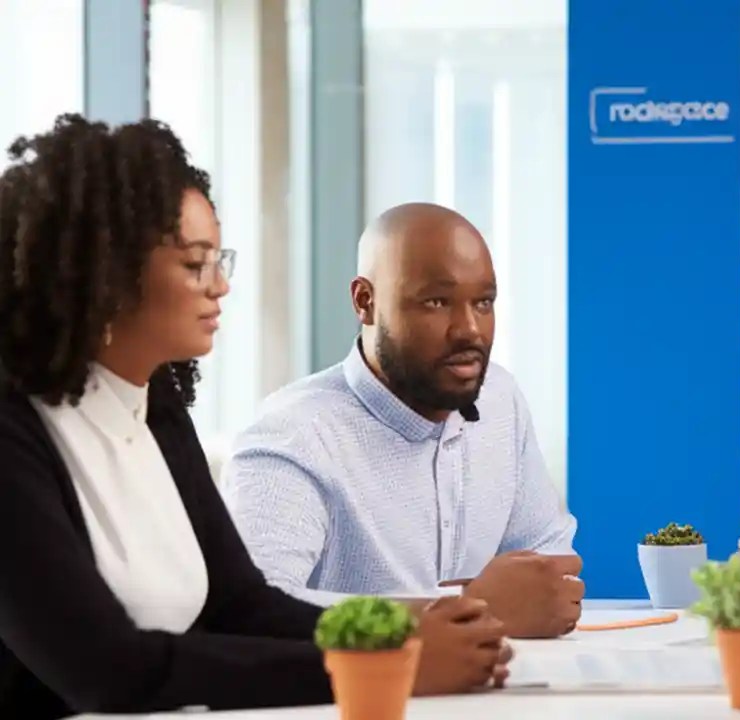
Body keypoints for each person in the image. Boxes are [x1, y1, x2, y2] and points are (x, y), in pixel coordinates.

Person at [0, 116, 511, 719]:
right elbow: (108, 671)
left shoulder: (154, 402)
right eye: (195, 264)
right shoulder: (12, 432)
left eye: (221, 260)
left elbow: (241, 605)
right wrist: (376, 668)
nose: (220, 286)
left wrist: (395, 638)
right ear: (104, 273)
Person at [222, 203, 582, 639]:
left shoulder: (500, 400)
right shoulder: (293, 435)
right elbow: (254, 611)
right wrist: (463, 609)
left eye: (483, 302)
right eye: (437, 301)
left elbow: (548, 570)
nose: (469, 329)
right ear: (365, 301)